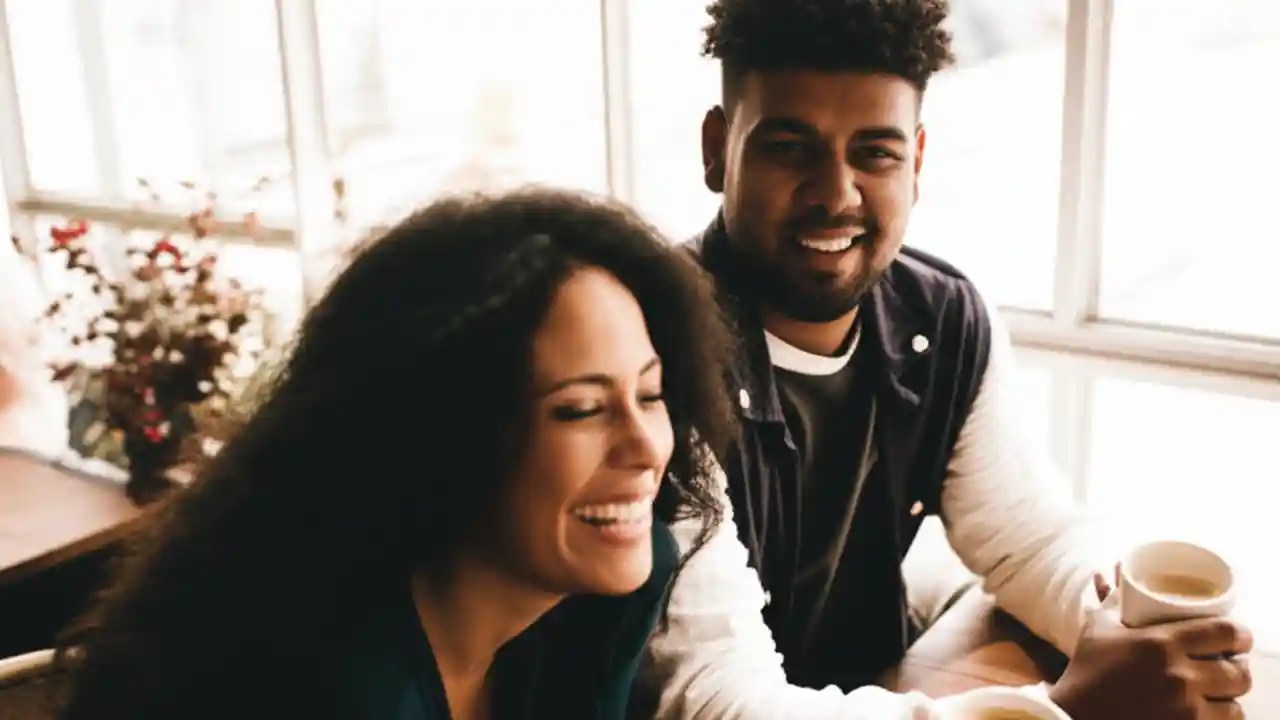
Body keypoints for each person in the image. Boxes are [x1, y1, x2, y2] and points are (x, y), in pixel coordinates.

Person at [639, 1, 1255, 718]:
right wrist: (1055, 706)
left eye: (875, 152)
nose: (837, 194)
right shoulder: (653, 354)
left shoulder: (942, 319)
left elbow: (1025, 537)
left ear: (917, 162)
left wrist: (1137, 641)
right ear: (718, 149)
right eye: (790, 147)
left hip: (887, 679)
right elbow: (720, 702)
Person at [55, 189, 737, 720]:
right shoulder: (321, 680)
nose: (647, 445)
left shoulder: (607, 597)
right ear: (444, 434)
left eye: (650, 395)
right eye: (580, 409)